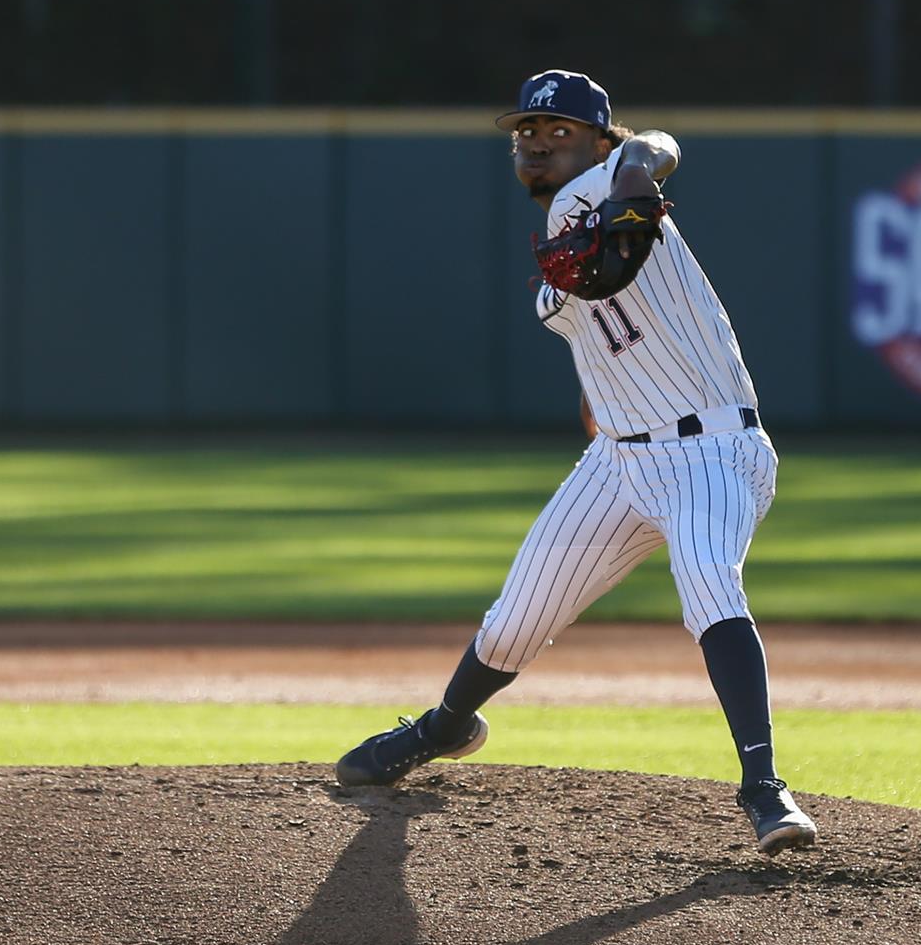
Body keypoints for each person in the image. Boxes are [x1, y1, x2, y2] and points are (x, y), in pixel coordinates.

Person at [335, 69, 817, 856]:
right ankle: (445, 726)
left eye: (557, 130)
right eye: (526, 131)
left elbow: (660, 146)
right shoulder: (565, 243)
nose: (535, 142)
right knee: (515, 623)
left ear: (598, 139)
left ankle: (764, 788)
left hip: (712, 450)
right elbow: (600, 307)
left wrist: (633, 169)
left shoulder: (610, 182)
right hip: (618, 462)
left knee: (706, 578)